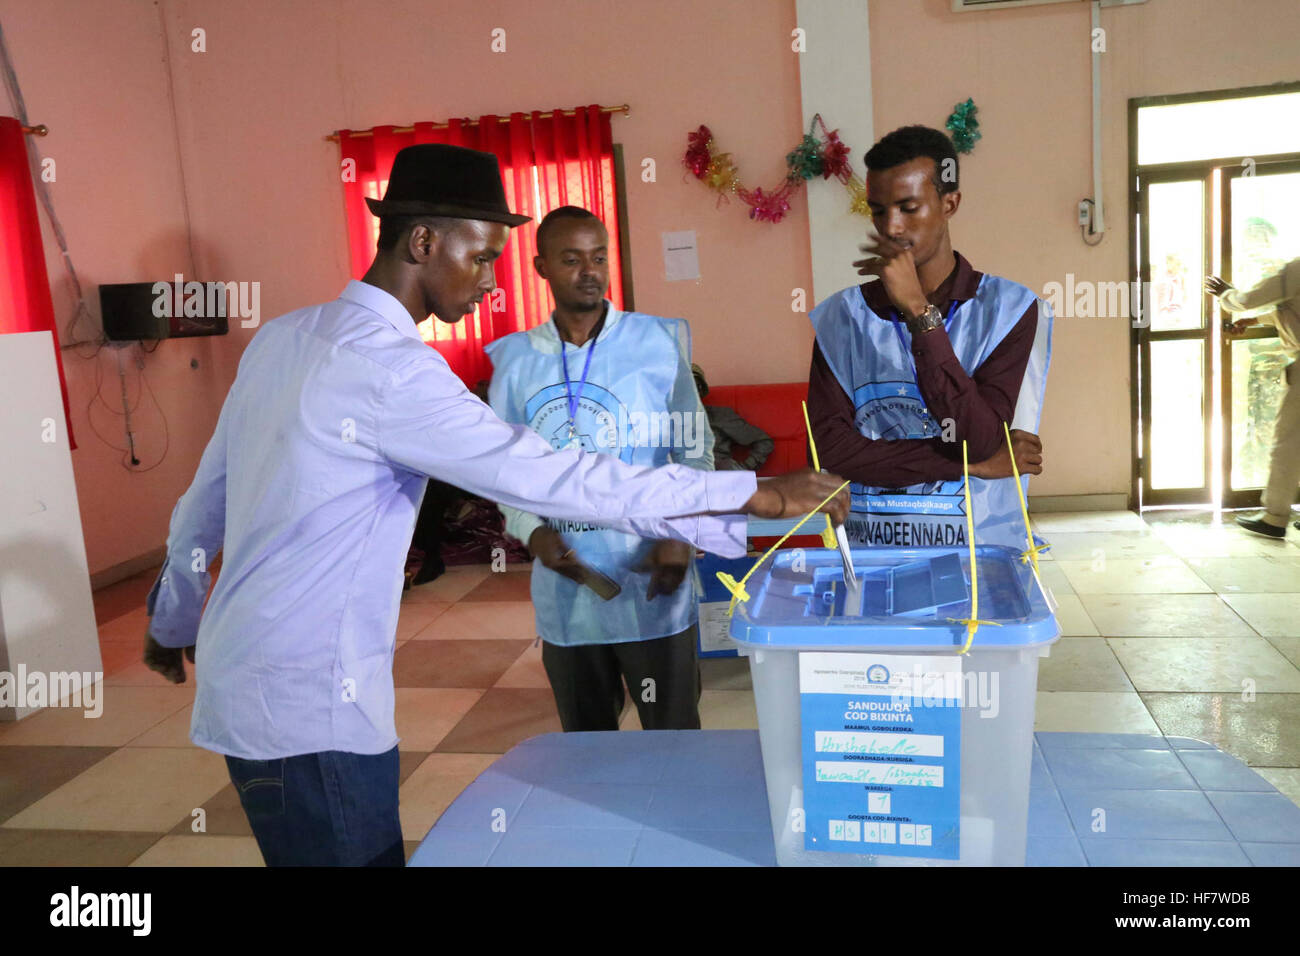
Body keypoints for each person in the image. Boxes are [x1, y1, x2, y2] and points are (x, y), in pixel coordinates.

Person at [141, 144, 849, 867]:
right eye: (481, 257)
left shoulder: (283, 337)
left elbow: (203, 503)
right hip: (315, 703)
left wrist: (170, 620)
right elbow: (555, 479)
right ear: (422, 241)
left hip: (241, 681)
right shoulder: (396, 371)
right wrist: (749, 490)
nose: (491, 282)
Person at [488, 206, 716, 731]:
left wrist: (682, 532)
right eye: (571, 259)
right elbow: (501, 469)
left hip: (654, 578)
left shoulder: (656, 344)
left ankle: (675, 817)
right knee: (587, 746)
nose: (589, 271)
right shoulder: (516, 362)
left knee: (675, 737)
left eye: (598, 257)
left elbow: (694, 449)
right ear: (540, 266)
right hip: (569, 592)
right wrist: (529, 529)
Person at [806, 125, 1050, 549]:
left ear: (949, 202)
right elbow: (834, 454)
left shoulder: (1010, 309)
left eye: (909, 207)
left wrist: (920, 314)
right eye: (879, 210)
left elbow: (979, 437)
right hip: (872, 556)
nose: (892, 227)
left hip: (981, 557)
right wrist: (967, 466)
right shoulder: (841, 318)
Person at [1206, 257, 1300, 537]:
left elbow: (1248, 299)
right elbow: (1291, 309)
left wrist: (1226, 294)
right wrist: (1256, 319)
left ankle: (1274, 518)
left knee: (1287, 443)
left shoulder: (1296, 270)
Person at [692, 363, 775, 471]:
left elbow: (764, 441)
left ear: (701, 390)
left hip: (718, 477)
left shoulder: (720, 416)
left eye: (694, 387)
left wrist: (745, 468)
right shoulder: (666, 419)